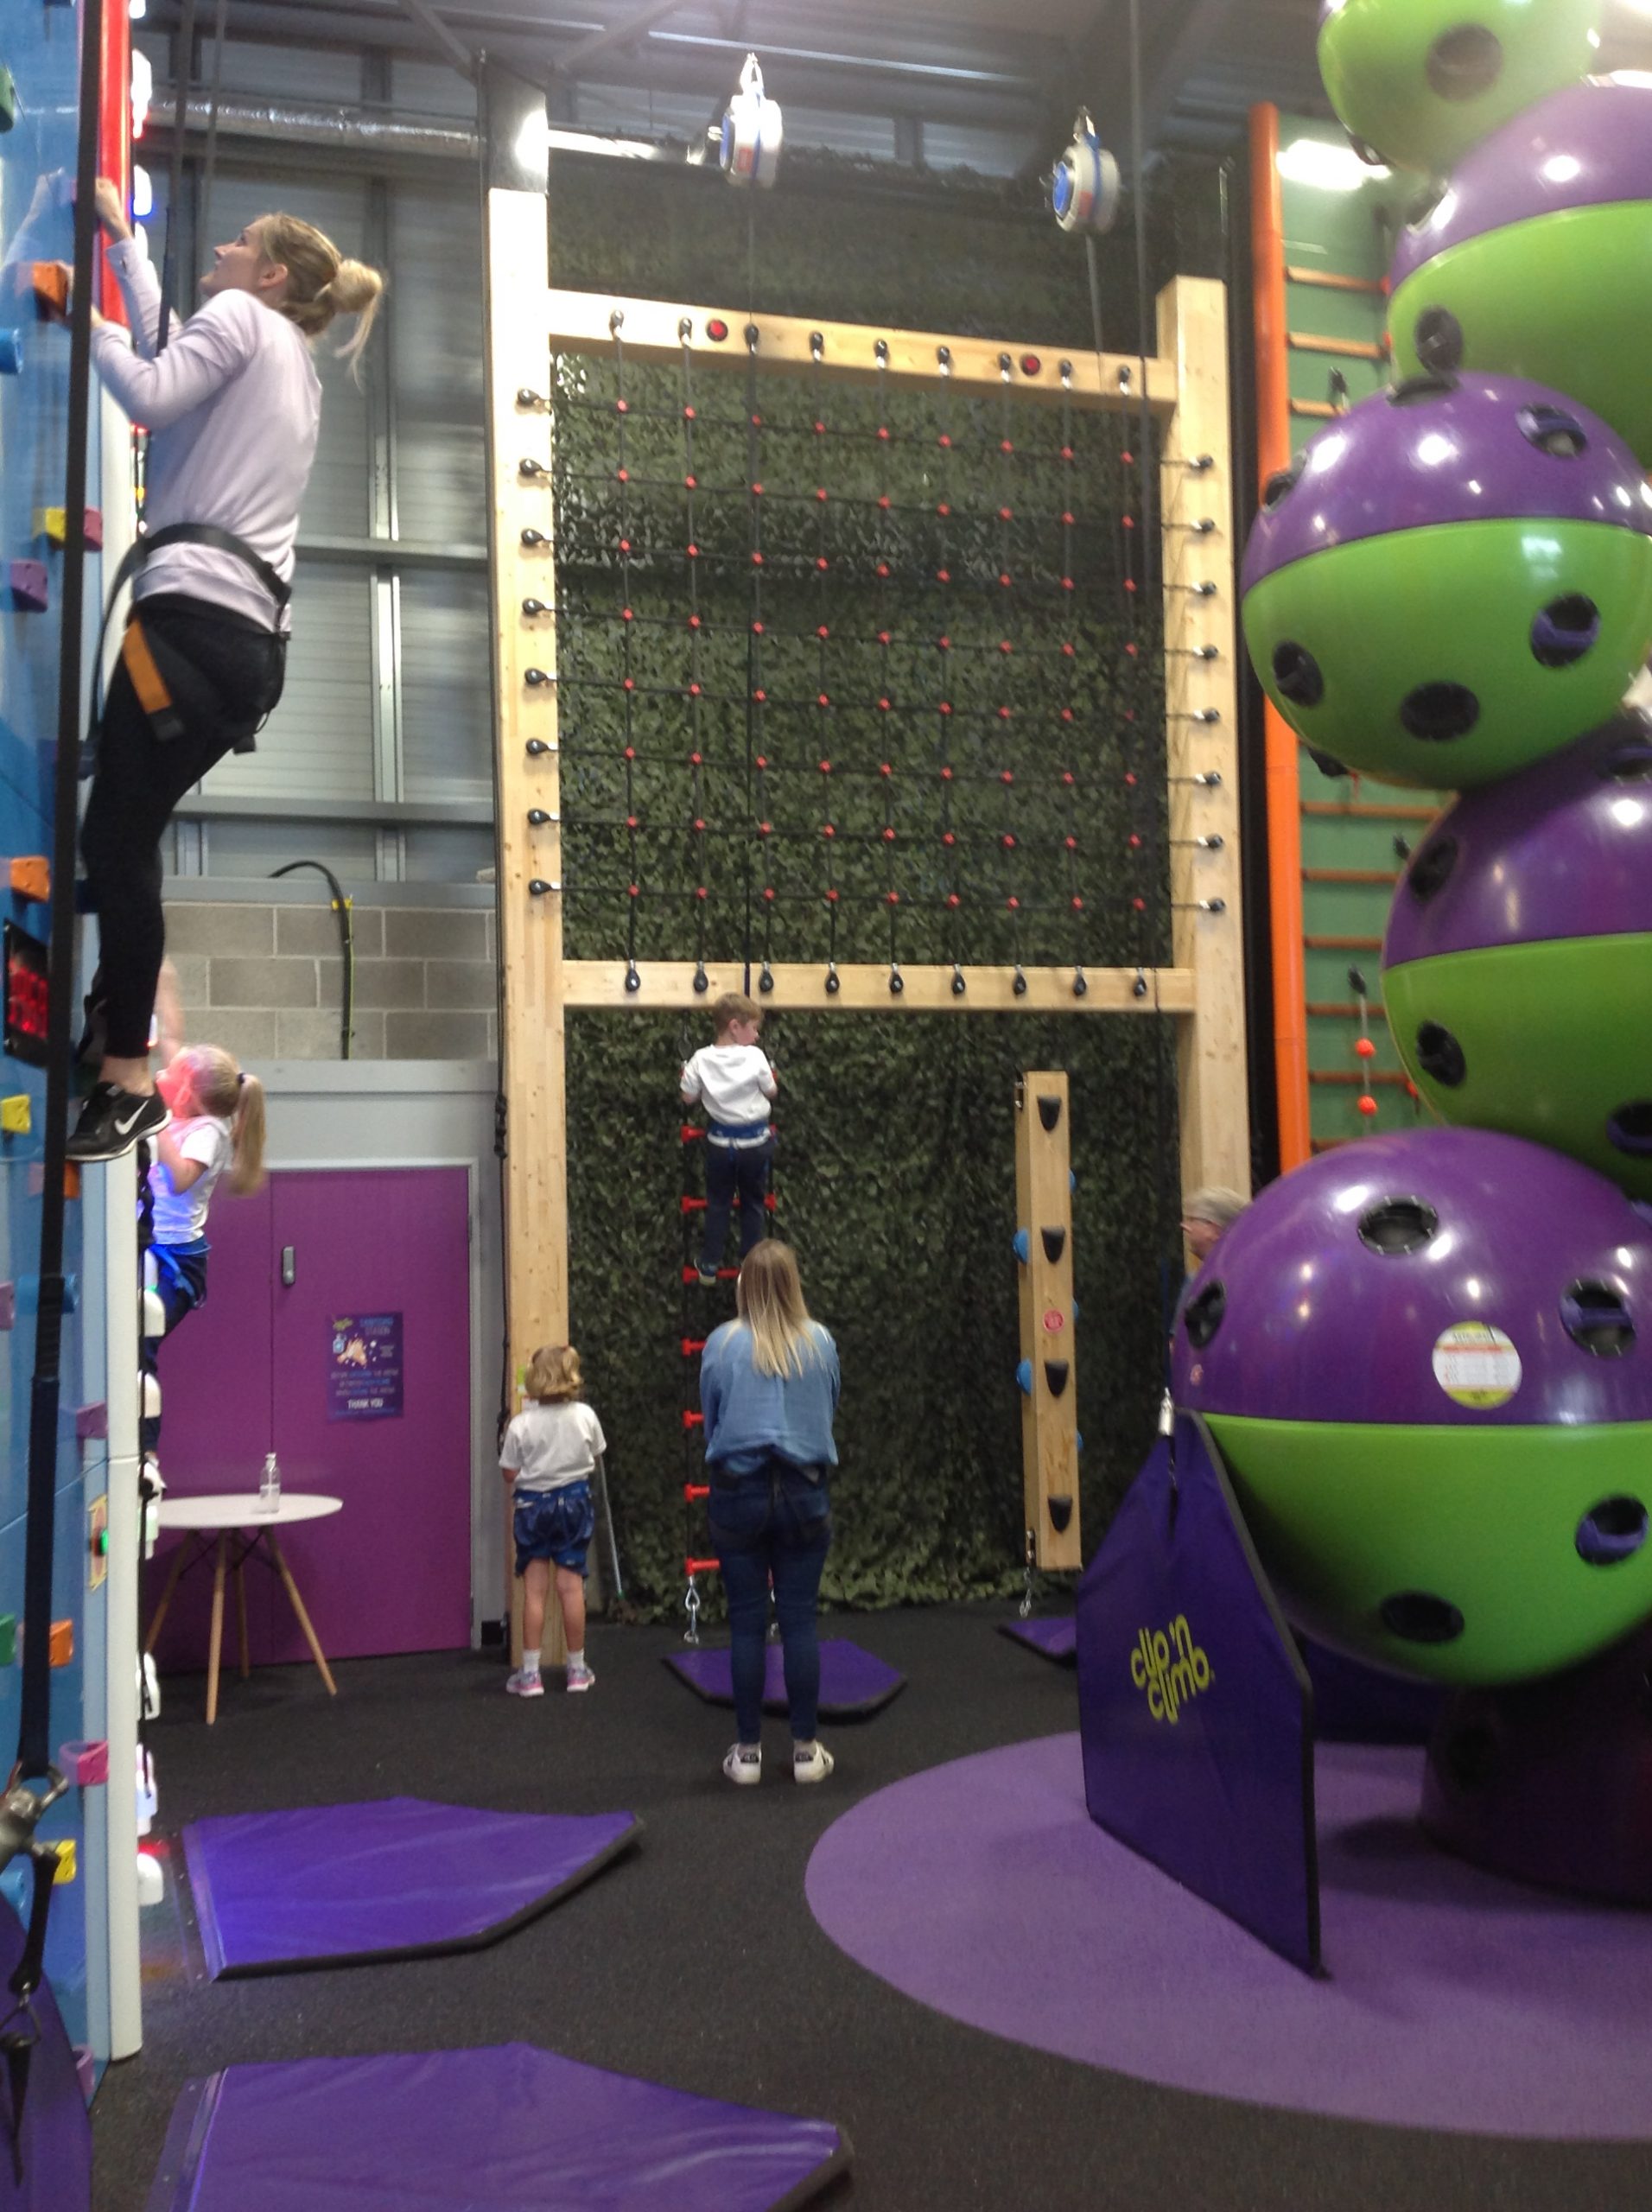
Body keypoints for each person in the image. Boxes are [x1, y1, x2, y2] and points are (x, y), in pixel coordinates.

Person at [59, 178, 383, 1161]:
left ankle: (127, 1076)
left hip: (191, 632)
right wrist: (123, 249)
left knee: (117, 842)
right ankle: (116, 1015)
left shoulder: (242, 318)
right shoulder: (289, 359)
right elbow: (176, 349)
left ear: (270, 273)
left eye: (237, 243)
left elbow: (151, 388)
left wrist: (84, 318)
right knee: (129, 833)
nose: (223, 252)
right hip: (238, 657)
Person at [700, 1243, 840, 1786]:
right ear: (794, 1282)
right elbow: (830, 1403)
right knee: (800, 1620)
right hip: (805, 1494)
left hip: (739, 1493)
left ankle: (748, 1755)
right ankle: (806, 1751)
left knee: (746, 1624)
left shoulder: (722, 1343)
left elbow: (711, 1416)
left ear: (743, 1285)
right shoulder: (820, 1342)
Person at [140, 985, 268, 1462]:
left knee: (141, 1338)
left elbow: (178, 1180)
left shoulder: (208, 1133)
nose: (164, 1076)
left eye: (174, 1077)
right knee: (132, 1335)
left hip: (177, 1261)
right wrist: (162, 987)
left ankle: (147, 1453)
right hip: (152, 1246)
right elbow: (172, 1039)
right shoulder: (186, 1106)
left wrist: (153, 1122)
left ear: (190, 1094)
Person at [499, 1344, 605, 1696]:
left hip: (532, 1508)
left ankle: (530, 1675)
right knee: (571, 1587)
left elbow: (510, 1473)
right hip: (574, 1504)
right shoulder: (585, 1415)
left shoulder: (521, 1424)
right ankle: (576, 1670)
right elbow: (595, 1453)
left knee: (535, 1591)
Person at [680, 993, 777, 1286]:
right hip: (755, 1145)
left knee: (718, 1203)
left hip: (720, 1146)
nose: (757, 1036)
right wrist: (773, 1076)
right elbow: (771, 1092)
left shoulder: (700, 1059)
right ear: (735, 1027)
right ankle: (749, 1267)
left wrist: (686, 1076)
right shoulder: (754, 1057)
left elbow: (687, 1097)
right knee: (753, 1205)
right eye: (754, 1028)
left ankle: (709, 1263)